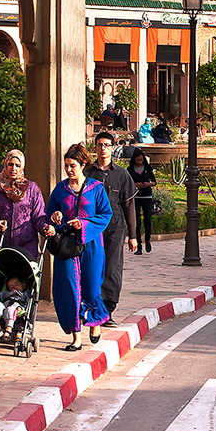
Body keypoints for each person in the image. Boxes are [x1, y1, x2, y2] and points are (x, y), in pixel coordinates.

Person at [48, 143, 112, 350]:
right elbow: (50, 213)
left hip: (91, 244)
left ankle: (95, 321)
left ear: (82, 165)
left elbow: (105, 215)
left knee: (92, 288)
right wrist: (54, 216)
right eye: (66, 165)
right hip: (67, 247)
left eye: (72, 165)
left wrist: (84, 224)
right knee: (69, 290)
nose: (68, 169)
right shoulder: (60, 189)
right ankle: (76, 337)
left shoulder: (96, 188)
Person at [0, 150, 48, 305]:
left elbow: (39, 217)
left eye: (17, 165)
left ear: (22, 167)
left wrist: (45, 228)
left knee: (25, 282)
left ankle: (20, 322)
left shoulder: (32, 189)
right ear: (5, 164)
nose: (13, 168)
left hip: (26, 245)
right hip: (1, 244)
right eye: (10, 164)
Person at [86, 131, 137, 321]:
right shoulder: (87, 173)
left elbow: (129, 206)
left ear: (112, 147)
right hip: (91, 228)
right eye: (99, 145)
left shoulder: (122, 175)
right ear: (95, 148)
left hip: (115, 228)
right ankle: (90, 307)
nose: (102, 148)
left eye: (106, 145)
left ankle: (107, 310)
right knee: (92, 267)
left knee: (112, 268)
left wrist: (133, 236)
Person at [127, 148, 157, 255]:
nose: (139, 162)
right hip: (136, 196)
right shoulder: (130, 169)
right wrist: (136, 184)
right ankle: (139, 246)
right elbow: (128, 183)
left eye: (141, 160)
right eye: (137, 160)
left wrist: (148, 184)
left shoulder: (147, 168)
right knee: (137, 222)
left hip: (147, 196)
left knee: (147, 220)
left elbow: (154, 182)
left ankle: (147, 240)